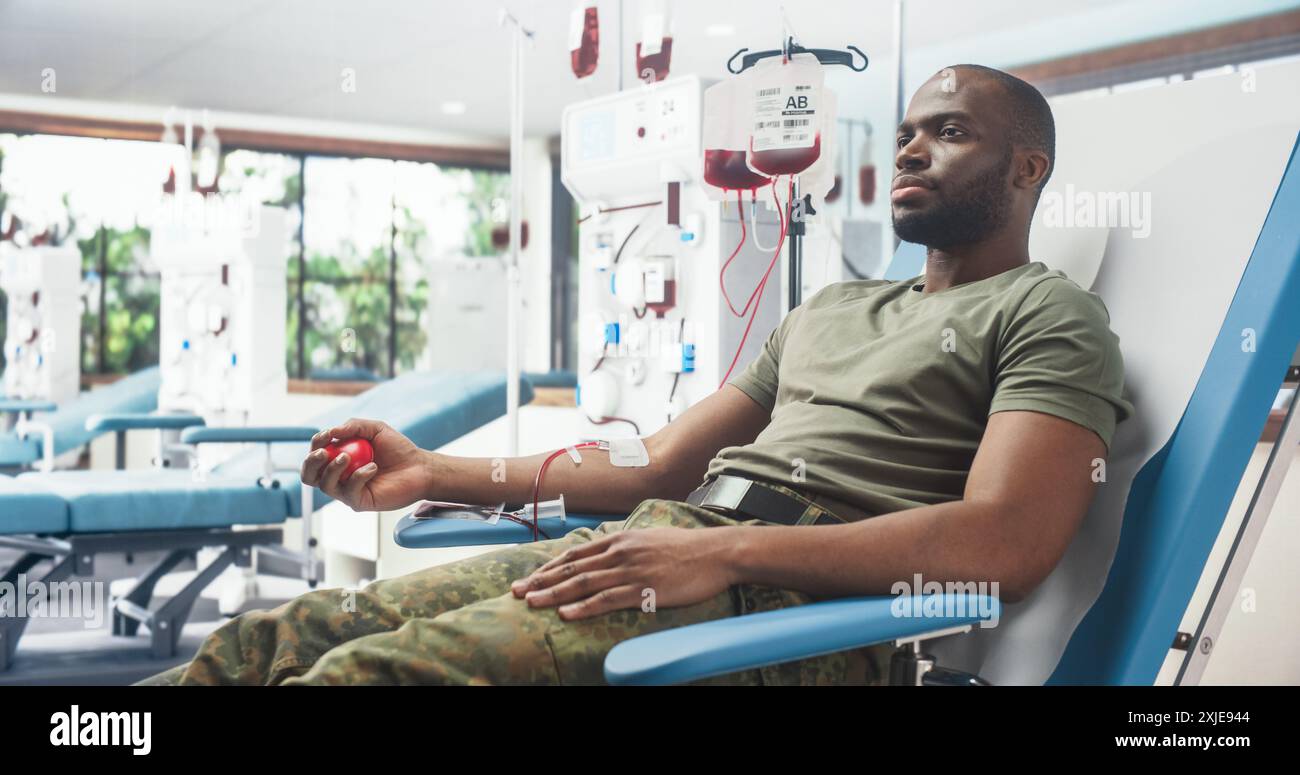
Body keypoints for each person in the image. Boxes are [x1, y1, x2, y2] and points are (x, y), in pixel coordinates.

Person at [142, 64, 1133, 686]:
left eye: (950, 131)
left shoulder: (1047, 313)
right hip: (660, 541)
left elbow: (1006, 544)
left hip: (800, 610)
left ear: (1025, 169)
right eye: (911, 129)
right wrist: (429, 470)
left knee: (370, 675)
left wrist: (733, 553)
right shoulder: (830, 310)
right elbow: (656, 465)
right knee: (280, 637)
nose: (913, 145)